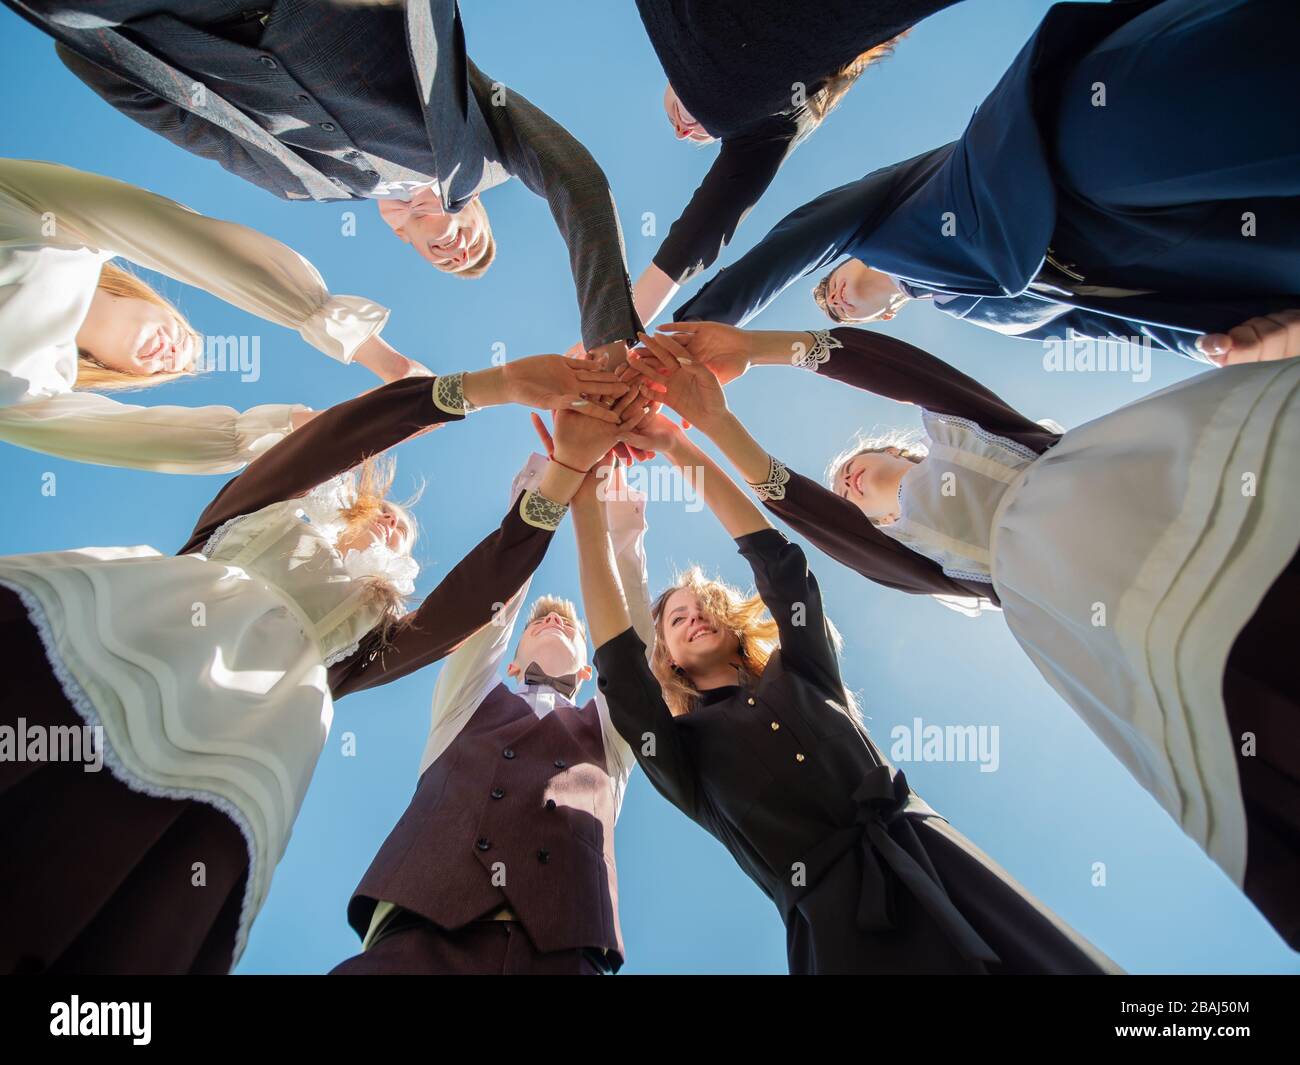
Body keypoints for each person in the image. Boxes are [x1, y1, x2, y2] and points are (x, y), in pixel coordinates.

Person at [634, 323, 1300, 951]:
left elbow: (900, 370)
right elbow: (801, 517)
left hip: (1152, 484)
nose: (848, 482)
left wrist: (756, 344)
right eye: (845, 496)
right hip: (1131, 637)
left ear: (895, 449)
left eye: (854, 464)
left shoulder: (977, 436)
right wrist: (712, 426)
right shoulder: (931, 564)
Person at [0, 354, 647, 974]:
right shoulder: (247, 519)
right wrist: (495, 383)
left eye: (405, 542)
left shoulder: (353, 650)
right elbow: (335, 439)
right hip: (100, 637)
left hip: (229, 774)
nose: (397, 531)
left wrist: (565, 474)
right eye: (389, 516)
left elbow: (472, 603)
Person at [581, 353, 1119, 974]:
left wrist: (679, 447)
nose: (694, 616)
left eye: (703, 605)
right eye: (676, 619)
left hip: (935, 860)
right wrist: (584, 498)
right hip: (842, 935)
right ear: (667, 657)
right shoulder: (679, 751)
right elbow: (619, 670)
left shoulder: (803, 672)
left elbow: (783, 569)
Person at [6, 0, 641, 364]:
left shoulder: (298, 186)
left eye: (446, 263)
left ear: (403, 239)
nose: (460, 253)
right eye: (477, 245)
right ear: (479, 209)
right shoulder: (481, 149)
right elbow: (576, 179)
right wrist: (610, 339)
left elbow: (185, 123)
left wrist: (97, 42)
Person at [672, 0, 1300, 366]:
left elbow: (809, 230)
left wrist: (694, 330)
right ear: (886, 316)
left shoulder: (894, 215)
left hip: (1092, 150)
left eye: (825, 288)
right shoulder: (984, 313)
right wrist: (1205, 344)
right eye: (835, 312)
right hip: (1208, 264)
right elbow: (1098, 326)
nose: (833, 300)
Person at [333, 442, 654, 975]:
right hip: (416, 939)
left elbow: (633, 655)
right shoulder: (466, 702)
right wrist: (541, 495)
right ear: (511, 661)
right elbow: (494, 611)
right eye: (540, 622)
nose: (554, 622)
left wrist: (622, 528)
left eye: (568, 625)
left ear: (586, 671)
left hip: (563, 954)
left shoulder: (611, 737)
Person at [0, 158, 429, 473]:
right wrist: (385, 360)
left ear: (116, 372)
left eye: (165, 370)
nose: (170, 356)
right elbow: (189, 240)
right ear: (148, 298)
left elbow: (161, 440)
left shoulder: (27, 394)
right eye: (181, 336)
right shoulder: (61, 229)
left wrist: (342, 425)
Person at [629, 1, 960, 322]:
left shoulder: (678, 27)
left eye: (672, 120)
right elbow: (699, 234)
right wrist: (620, 330)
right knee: (720, 112)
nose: (682, 133)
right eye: (702, 138)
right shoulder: (770, 125)